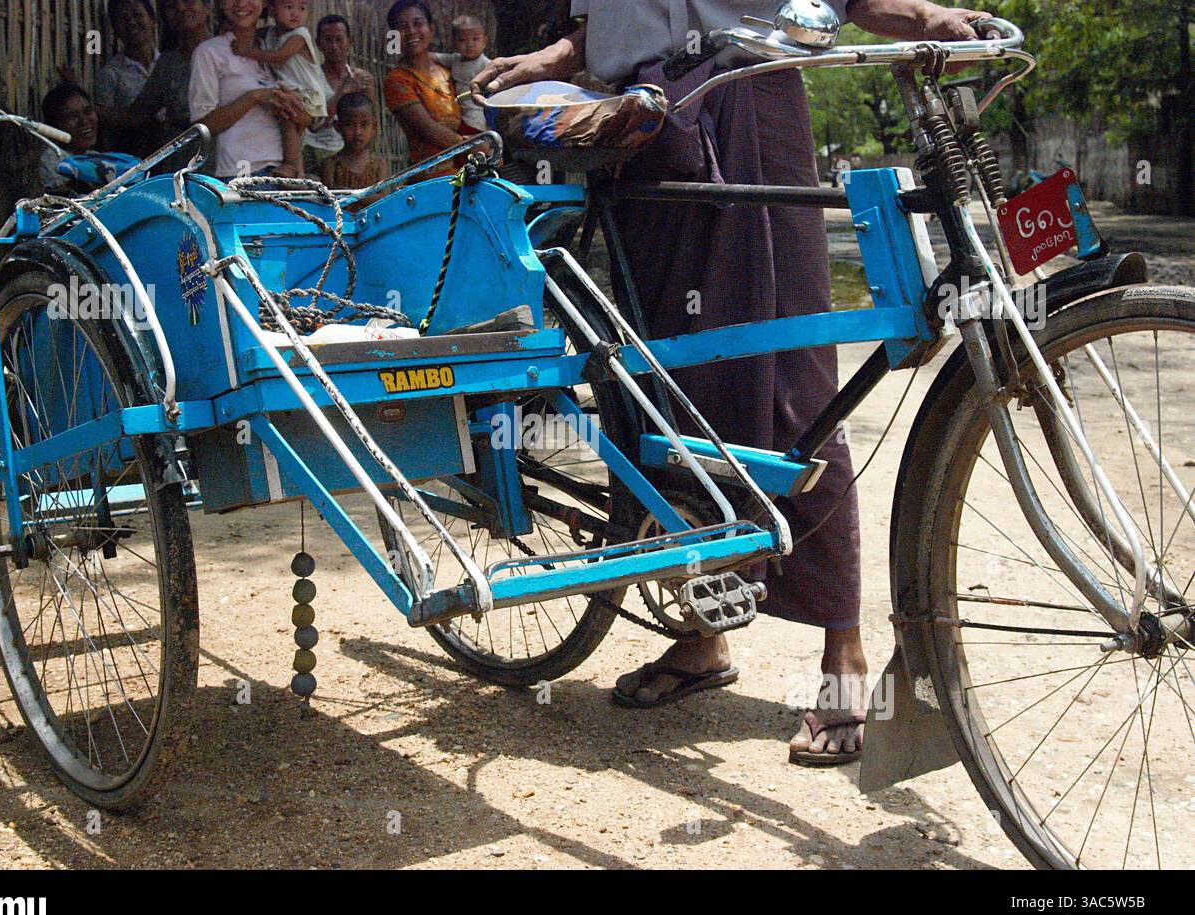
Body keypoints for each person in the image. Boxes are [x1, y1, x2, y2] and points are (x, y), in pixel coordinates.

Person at [475, 0, 991, 765]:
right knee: (670, 384)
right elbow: (609, 22)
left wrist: (927, 16)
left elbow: (847, 4)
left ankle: (842, 653)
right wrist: (557, 58)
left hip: (755, 98)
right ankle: (698, 636)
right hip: (643, 132)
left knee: (798, 382)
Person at [188, 0, 309, 180]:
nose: (242, 3)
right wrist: (255, 97)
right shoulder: (209, 52)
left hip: (285, 175)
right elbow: (203, 128)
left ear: (265, 3)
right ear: (221, 4)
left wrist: (295, 109)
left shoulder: (274, 49)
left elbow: (306, 119)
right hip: (242, 172)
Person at [97, 0, 213, 171]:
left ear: (207, 6)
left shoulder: (230, 52)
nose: (180, 8)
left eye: (188, 1)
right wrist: (88, 109)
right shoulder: (168, 63)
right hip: (185, 168)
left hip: (232, 161)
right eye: (172, 6)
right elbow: (137, 114)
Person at [230, 0, 329, 178]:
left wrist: (246, 51)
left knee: (287, 117)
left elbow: (279, 57)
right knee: (290, 124)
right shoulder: (272, 34)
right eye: (288, 7)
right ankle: (298, 172)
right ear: (273, 10)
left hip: (309, 94)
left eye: (302, 8)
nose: (295, 14)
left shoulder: (300, 35)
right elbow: (255, 33)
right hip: (294, 91)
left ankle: (292, 166)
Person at [383, 1, 465, 177]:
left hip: (469, 167)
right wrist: (476, 145)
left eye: (418, 23)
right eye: (403, 27)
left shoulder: (448, 69)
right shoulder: (397, 80)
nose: (412, 31)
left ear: (431, 28)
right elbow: (429, 130)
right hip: (432, 176)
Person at [308, 14, 377, 175]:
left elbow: (372, 123)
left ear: (350, 42)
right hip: (314, 151)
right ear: (318, 43)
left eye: (339, 39)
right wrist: (343, 91)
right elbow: (315, 125)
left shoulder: (363, 79)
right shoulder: (311, 78)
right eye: (328, 40)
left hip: (350, 153)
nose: (334, 46)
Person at [93, 0, 161, 153]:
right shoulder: (110, 75)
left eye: (137, 15)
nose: (131, 22)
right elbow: (106, 129)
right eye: (123, 19)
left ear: (153, 21)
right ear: (115, 30)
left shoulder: (169, 65)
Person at [38, 83, 100, 194]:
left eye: (87, 111)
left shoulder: (95, 158)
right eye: (71, 116)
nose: (84, 121)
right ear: (53, 126)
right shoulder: (52, 162)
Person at [434, 15, 492, 132]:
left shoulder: (486, 65)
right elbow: (433, 57)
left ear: (484, 41)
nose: (469, 44)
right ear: (455, 44)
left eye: (475, 39)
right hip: (457, 112)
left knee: (476, 137)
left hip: (477, 113)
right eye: (462, 40)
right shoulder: (455, 60)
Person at [320, 92, 389, 191]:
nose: (358, 132)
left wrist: (350, 193)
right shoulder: (331, 164)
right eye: (349, 125)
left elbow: (383, 198)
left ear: (374, 126)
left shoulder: (379, 164)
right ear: (338, 127)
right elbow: (328, 198)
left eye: (364, 125)